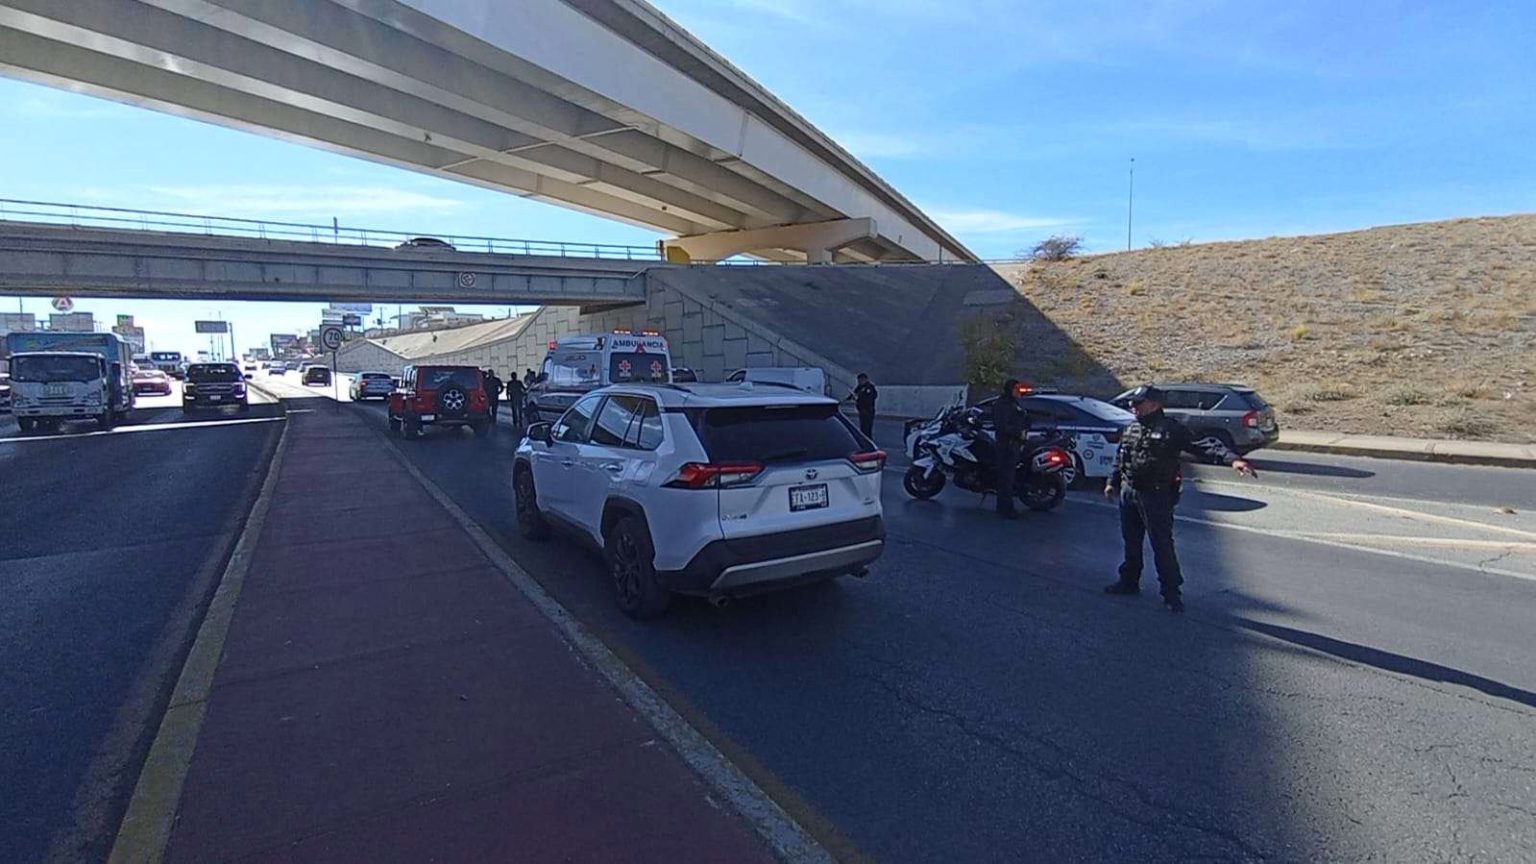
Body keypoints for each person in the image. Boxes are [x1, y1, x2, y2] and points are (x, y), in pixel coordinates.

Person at [1103, 385, 1257, 613]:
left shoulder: (1170, 429)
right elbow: (1121, 457)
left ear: (1155, 404)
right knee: (1131, 541)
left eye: (1139, 403)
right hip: (1130, 491)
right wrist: (1112, 482)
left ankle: (1171, 594)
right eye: (1133, 403)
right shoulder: (1132, 428)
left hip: (1156, 495)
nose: (1133, 407)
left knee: (1162, 545)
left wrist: (1233, 459)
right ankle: (1129, 581)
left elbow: (1202, 445)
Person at [990, 379, 1030, 519]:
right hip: (1006, 446)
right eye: (1016, 389)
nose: (1019, 392)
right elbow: (1002, 425)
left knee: (1010, 478)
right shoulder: (1003, 404)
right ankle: (1005, 508)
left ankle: (1006, 506)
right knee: (1005, 479)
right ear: (1010, 389)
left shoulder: (1014, 403)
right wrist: (1017, 433)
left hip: (1014, 445)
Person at [847, 373, 878, 439]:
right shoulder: (860, 387)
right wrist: (848, 399)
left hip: (868, 410)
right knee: (863, 428)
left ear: (865, 379)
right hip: (862, 410)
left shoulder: (869, 387)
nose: (859, 382)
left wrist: (858, 398)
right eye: (858, 381)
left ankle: (868, 441)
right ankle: (864, 440)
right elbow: (854, 393)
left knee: (867, 428)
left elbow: (869, 398)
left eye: (861, 380)